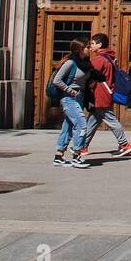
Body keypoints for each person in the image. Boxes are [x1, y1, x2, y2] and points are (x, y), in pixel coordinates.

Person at [77, 33, 131, 158]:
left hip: (100, 94)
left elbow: (89, 74)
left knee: (111, 120)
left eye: (92, 43)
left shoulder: (99, 59)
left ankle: (124, 144)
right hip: (103, 93)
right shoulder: (109, 57)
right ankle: (82, 147)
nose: (90, 46)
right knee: (91, 122)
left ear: (99, 44)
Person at [51, 39, 93, 168]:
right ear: (80, 49)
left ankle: (59, 155)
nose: (90, 49)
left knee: (68, 126)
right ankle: (77, 155)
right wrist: (70, 90)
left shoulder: (85, 63)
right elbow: (57, 80)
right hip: (69, 98)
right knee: (81, 125)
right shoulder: (71, 63)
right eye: (87, 46)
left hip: (79, 98)